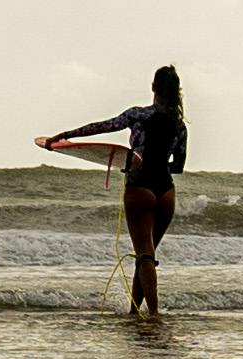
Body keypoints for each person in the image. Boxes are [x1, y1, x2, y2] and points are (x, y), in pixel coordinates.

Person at [50, 66, 188, 317]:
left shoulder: (139, 115)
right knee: (146, 254)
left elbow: (103, 127)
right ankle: (135, 312)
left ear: (154, 87)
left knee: (144, 254)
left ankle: (154, 313)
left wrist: (65, 137)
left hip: (140, 187)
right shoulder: (179, 126)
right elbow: (178, 166)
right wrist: (156, 163)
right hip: (167, 192)